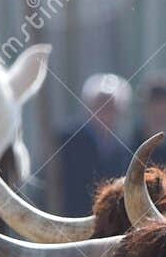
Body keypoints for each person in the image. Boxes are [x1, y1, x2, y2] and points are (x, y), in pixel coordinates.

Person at [55, 73, 131, 218]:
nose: (106, 112)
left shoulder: (124, 149)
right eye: (100, 105)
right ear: (89, 108)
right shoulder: (68, 140)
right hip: (70, 218)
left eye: (111, 107)